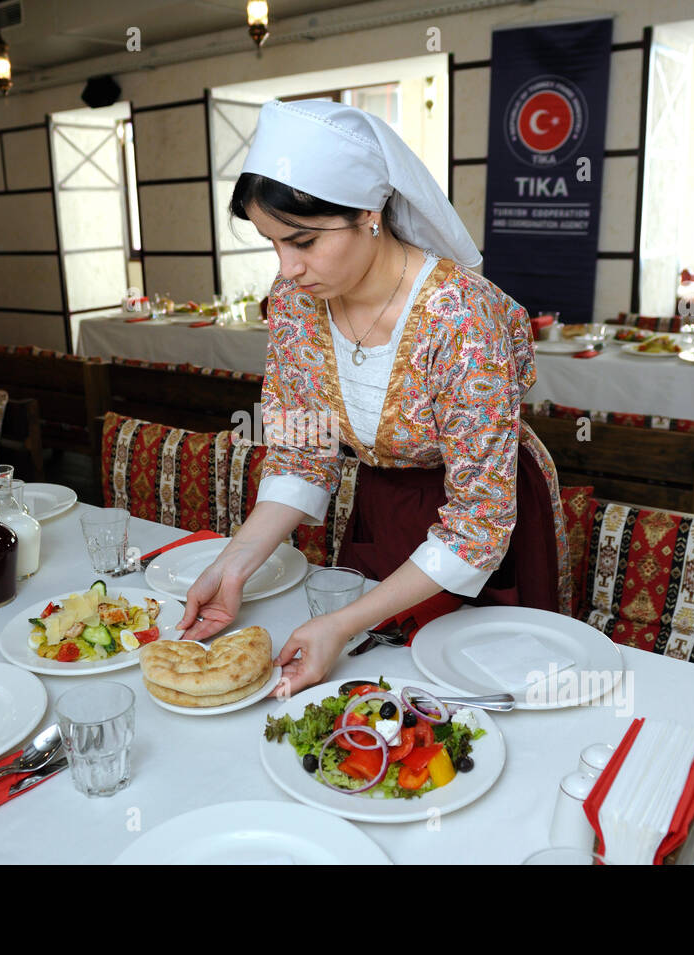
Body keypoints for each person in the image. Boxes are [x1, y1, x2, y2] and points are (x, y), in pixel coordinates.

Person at [176, 99, 569, 693]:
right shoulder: (295, 303)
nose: (287, 268)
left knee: (473, 696)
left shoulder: (460, 316)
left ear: (368, 212)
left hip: (484, 513)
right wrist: (232, 565)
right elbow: (301, 455)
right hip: (383, 504)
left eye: (303, 241)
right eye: (272, 243)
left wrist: (342, 623)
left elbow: (478, 522)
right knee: (376, 692)